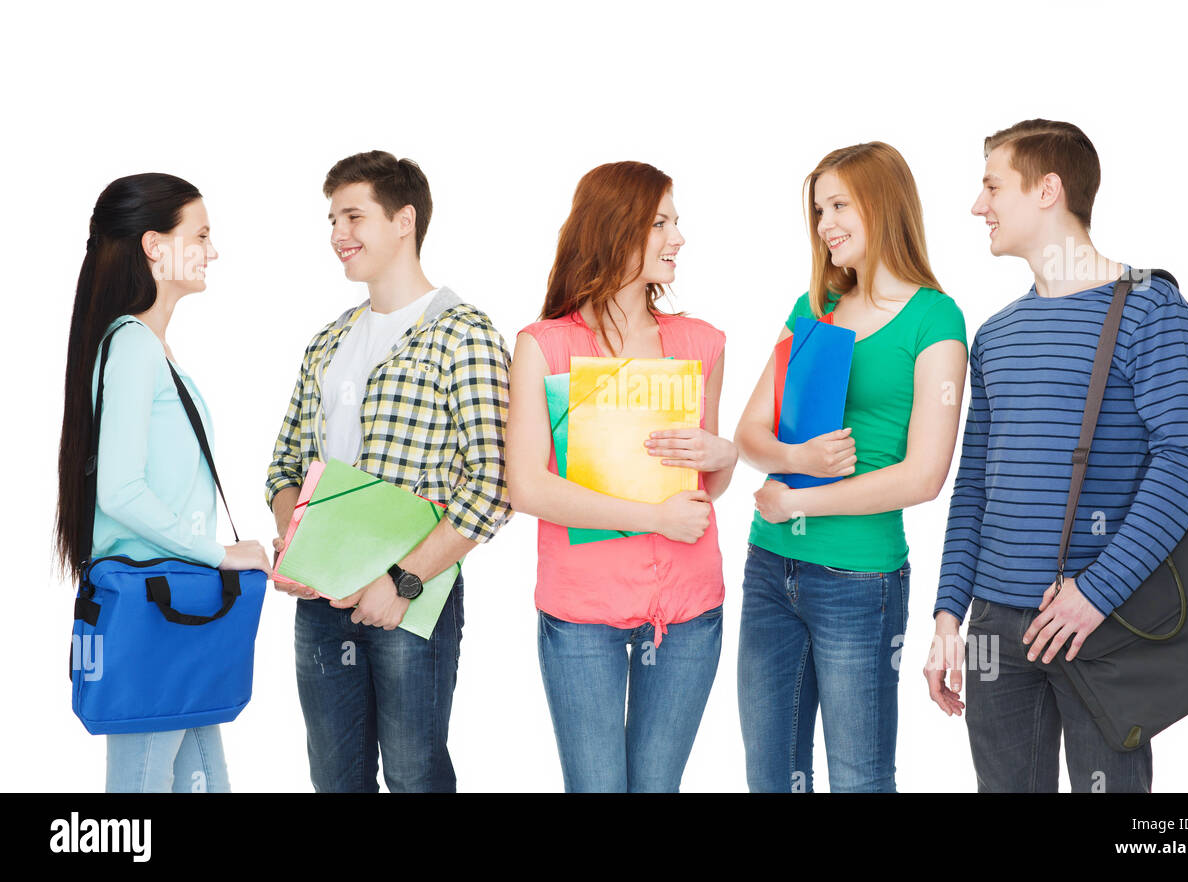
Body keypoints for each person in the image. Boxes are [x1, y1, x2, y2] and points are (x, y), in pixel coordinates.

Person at [924, 119, 1188, 793]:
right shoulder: (994, 336)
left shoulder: (1151, 308)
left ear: (1047, 189)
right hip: (994, 623)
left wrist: (1097, 594)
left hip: (1101, 621)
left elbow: (1182, 462)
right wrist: (947, 616)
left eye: (992, 185)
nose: (977, 205)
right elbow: (974, 488)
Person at [265, 150, 512, 793]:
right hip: (321, 600)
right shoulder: (328, 340)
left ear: (404, 221)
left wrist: (400, 582)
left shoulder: (465, 335)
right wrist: (294, 545)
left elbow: (494, 484)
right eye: (331, 219)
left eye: (353, 216)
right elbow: (286, 464)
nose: (337, 235)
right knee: (334, 778)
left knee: (414, 774)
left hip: (413, 598)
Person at [734, 142, 968, 793]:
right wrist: (795, 461)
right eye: (818, 210)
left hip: (859, 581)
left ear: (882, 204)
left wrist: (802, 499)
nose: (825, 224)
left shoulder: (935, 320)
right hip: (769, 568)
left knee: (860, 778)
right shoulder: (812, 307)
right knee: (772, 775)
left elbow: (925, 475)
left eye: (839, 205)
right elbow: (750, 430)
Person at [506, 161, 735, 792]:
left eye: (676, 222)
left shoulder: (701, 343)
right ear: (615, 230)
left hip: (688, 607)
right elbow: (526, 486)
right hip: (584, 610)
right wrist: (653, 519)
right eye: (661, 223)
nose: (678, 238)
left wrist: (724, 457)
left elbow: (704, 485)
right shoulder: (543, 346)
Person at [55, 173, 272, 792]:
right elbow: (119, 492)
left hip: (175, 608)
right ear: (155, 245)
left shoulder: (148, 344)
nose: (213, 250)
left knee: (204, 784)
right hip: (159, 607)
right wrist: (219, 552)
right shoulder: (134, 347)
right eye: (200, 235)